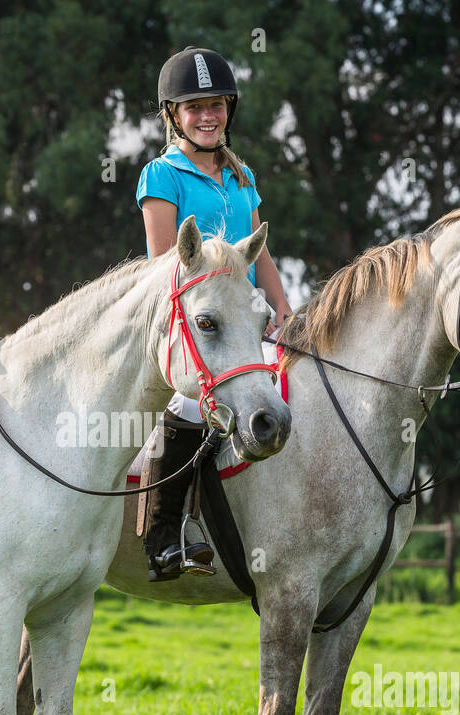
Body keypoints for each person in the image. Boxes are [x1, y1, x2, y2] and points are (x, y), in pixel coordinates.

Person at [134, 46, 294, 581]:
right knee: (190, 403)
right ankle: (164, 535)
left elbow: (258, 252)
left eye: (218, 105)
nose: (208, 116)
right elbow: (162, 266)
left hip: (243, 320)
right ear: (173, 115)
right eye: (195, 106)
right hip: (194, 323)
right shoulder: (162, 175)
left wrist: (285, 307)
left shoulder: (242, 178)